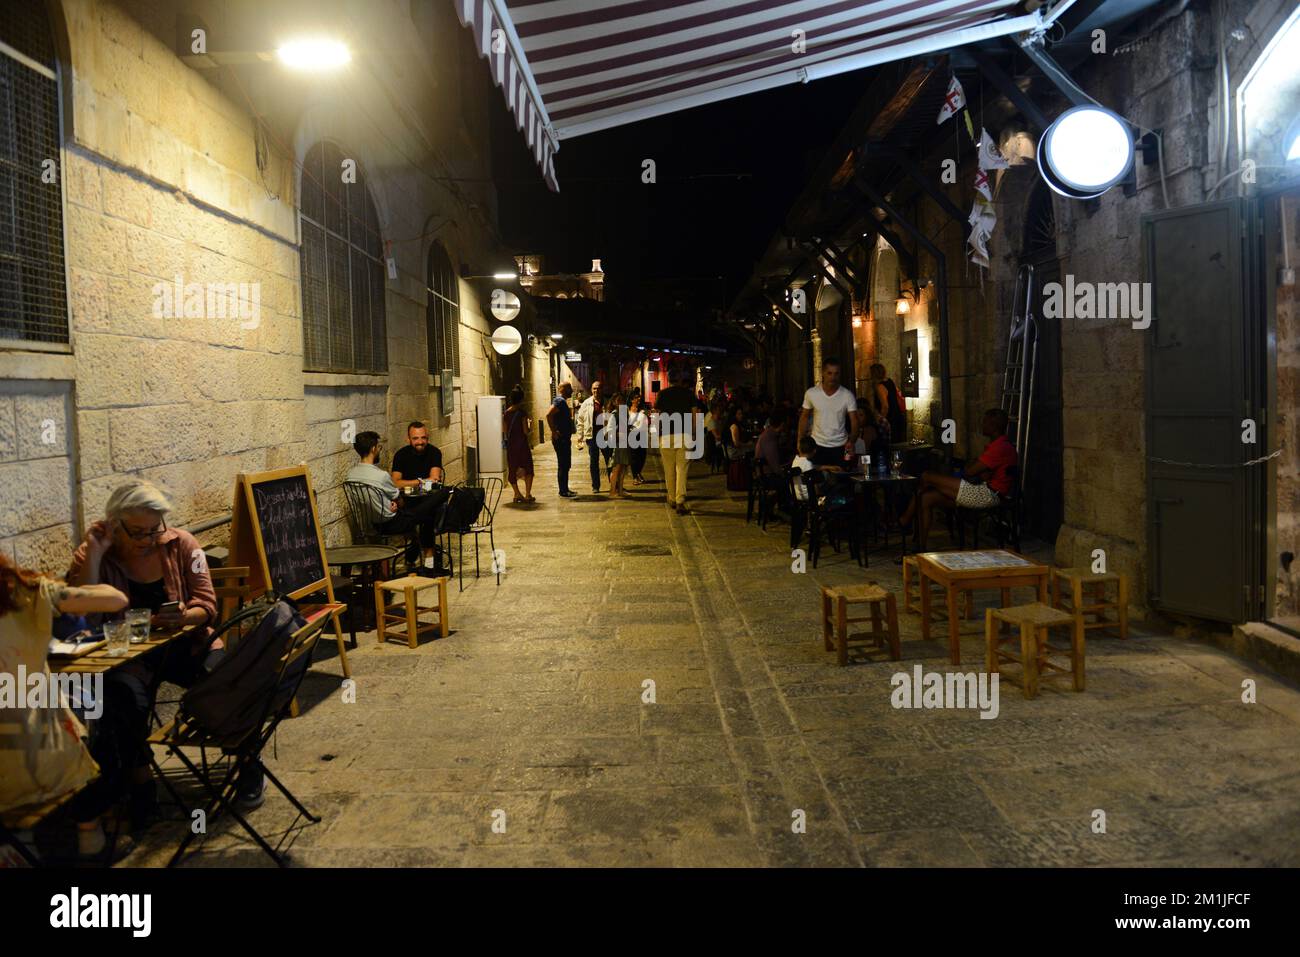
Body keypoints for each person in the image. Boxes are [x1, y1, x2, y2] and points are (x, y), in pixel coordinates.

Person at [67, 480, 225, 829]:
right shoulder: (94, 554)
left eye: (155, 529)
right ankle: (141, 786)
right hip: (130, 658)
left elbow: (208, 606)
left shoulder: (183, 544)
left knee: (230, 684)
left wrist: (185, 616)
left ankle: (246, 768)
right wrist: (93, 554)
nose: (149, 539)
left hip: (188, 644)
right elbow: (83, 617)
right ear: (114, 525)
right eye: (138, 532)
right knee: (121, 701)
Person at [1, 555, 129, 861]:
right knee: (102, 710)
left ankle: (20, 843)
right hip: (43, 761)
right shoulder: (25, 595)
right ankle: (91, 833)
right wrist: (39, 586)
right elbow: (116, 599)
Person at [899, 408, 1018, 549]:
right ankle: (920, 547)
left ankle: (905, 519)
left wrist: (975, 468)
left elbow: (970, 470)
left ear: (994, 426)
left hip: (987, 495)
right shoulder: (1001, 445)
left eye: (985, 422)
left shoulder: (999, 448)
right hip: (984, 488)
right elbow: (979, 470)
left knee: (927, 476)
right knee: (925, 498)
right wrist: (978, 469)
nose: (982, 425)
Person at [346, 431, 449, 570]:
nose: (379, 450)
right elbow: (400, 502)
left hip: (370, 523)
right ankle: (429, 563)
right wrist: (393, 504)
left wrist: (386, 503)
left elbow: (370, 498)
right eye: (379, 447)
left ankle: (416, 551)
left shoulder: (350, 475)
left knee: (424, 510)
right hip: (392, 523)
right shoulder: (381, 476)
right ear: (373, 449)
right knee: (435, 504)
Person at [798, 357, 864, 468]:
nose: (833, 377)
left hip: (840, 446)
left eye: (836, 374)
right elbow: (804, 417)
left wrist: (851, 441)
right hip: (817, 445)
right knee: (817, 480)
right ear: (823, 373)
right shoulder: (812, 393)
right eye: (829, 373)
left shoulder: (847, 395)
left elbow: (854, 421)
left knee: (842, 480)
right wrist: (800, 441)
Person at [655, 365, 697, 515]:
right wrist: (694, 434)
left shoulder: (662, 394)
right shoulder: (689, 394)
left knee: (669, 469)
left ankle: (672, 498)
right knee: (682, 469)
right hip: (684, 435)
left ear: (668, 379)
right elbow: (694, 415)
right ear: (680, 379)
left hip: (666, 435)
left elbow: (658, 415)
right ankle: (680, 501)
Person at [503, 387, 535, 504]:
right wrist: (530, 425)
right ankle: (527, 494)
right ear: (521, 399)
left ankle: (517, 493)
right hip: (522, 445)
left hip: (511, 446)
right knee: (528, 468)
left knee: (512, 468)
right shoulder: (522, 413)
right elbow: (526, 431)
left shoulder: (506, 413)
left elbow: (505, 431)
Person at [545, 382, 577, 498]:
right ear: (563, 389)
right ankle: (563, 491)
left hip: (564, 438)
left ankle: (565, 488)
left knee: (565, 464)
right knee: (563, 464)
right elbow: (548, 415)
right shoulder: (560, 401)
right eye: (569, 388)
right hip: (561, 439)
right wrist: (554, 431)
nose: (572, 391)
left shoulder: (561, 401)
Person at [390, 421, 443, 488]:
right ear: (408, 439)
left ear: (427, 438)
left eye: (423, 437)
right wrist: (422, 481)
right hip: (408, 497)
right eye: (415, 438)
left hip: (431, 496)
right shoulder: (400, 455)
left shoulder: (434, 452)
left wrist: (407, 483)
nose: (420, 442)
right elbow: (395, 483)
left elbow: (434, 480)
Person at [575, 380, 605, 493]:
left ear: (602, 389)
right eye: (594, 388)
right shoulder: (586, 403)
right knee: (594, 461)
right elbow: (581, 420)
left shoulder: (606, 402)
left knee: (610, 460)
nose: (596, 390)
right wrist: (580, 436)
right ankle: (595, 486)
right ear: (591, 390)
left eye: (598, 388)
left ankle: (614, 484)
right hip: (592, 436)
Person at [870, 363, 908, 442]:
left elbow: (885, 406)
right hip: (897, 417)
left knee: (889, 445)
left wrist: (880, 421)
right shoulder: (890, 381)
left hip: (890, 421)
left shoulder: (880, 387)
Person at [605, 391, 630, 499]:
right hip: (618, 444)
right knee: (616, 468)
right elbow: (609, 431)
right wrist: (619, 434)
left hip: (625, 443)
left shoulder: (624, 413)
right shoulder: (614, 414)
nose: (621, 403)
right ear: (614, 403)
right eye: (618, 401)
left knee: (623, 467)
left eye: (622, 401)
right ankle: (612, 491)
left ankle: (620, 490)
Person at [628, 394, 649, 485]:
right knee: (634, 457)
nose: (638, 399)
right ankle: (635, 476)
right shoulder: (628, 411)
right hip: (632, 435)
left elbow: (647, 422)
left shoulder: (643, 411)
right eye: (636, 398)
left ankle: (638, 472)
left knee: (642, 456)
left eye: (639, 398)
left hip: (643, 434)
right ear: (632, 400)